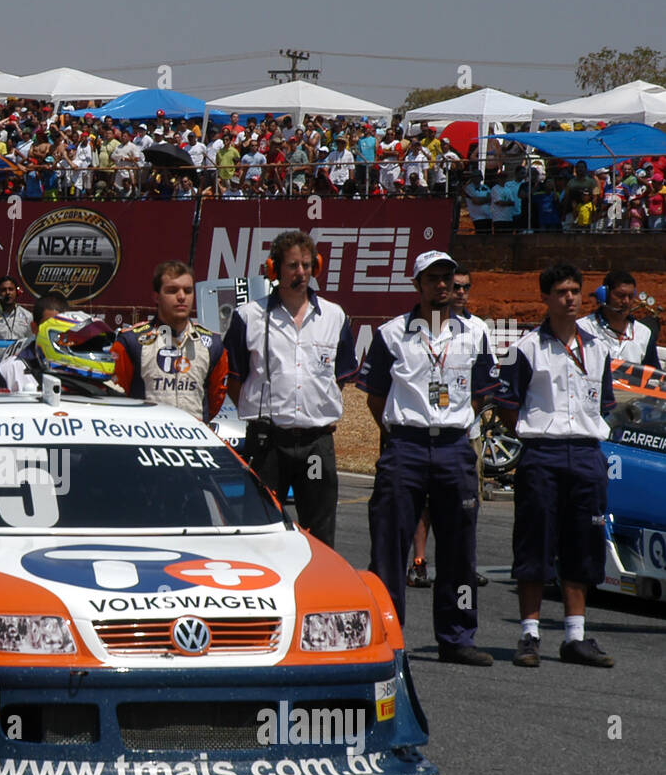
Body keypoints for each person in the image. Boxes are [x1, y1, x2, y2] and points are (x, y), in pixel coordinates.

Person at [358, 252, 499, 666]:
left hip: (455, 447)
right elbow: (375, 396)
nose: (442, 285)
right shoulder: (389, 334)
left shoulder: (476, 333)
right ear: (417, 283)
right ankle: (387, 635)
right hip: (406, 446)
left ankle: (457, 636)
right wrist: (403, 434)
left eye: (448, 278)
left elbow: (482, 390)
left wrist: (453, 425)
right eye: (433, 278)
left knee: (460, 549)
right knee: (389, 545)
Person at [497, 263, 617, 668]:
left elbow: (605, 404)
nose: (570, 298)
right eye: (562, 291)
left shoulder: (599, 347)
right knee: (534, 543)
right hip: (543, 456)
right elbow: (506, 405)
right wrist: (536, 436)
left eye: (575, 291)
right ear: (545, 297)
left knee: (583, 544)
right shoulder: (526, 347)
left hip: (586, 455)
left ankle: (575, 637)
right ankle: (529, 635)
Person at [225, 230, 357, 548]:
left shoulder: (335, 316)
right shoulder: (249, 317)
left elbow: (339, 377)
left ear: (317, 268)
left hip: (316, 443)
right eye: (293, 266)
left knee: (319, 531)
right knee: (260, 528)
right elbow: (235, 379)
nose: (301, 273)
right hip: (269, 442)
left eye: (307, 266)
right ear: (274, 269)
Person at [408, 269, 492, 588]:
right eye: (455, 286)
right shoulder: (417, 327)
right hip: (425, 433)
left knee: (467, 503)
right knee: (424, 503)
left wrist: (463, 416)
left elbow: (483, 384)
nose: (460, 292)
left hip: (463, 433)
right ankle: (419, 562)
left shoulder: (477, 328)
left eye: (465, 287)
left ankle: (464, 564)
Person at [111, 260, 227, 421]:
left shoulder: (212, 344)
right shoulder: (132, 341)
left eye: (188, 291)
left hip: (195, 439)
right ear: (156, 297)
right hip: (147, 438)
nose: (181, 297)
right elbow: (116, 395)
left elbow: (215, 400)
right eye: (172, 291)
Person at [576, 269, 661, 368]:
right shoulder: (583, 329)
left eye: (630, 296)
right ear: (605, 296)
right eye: (620, 296)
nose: (626, 301)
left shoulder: (643, 333)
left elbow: (653, 376)